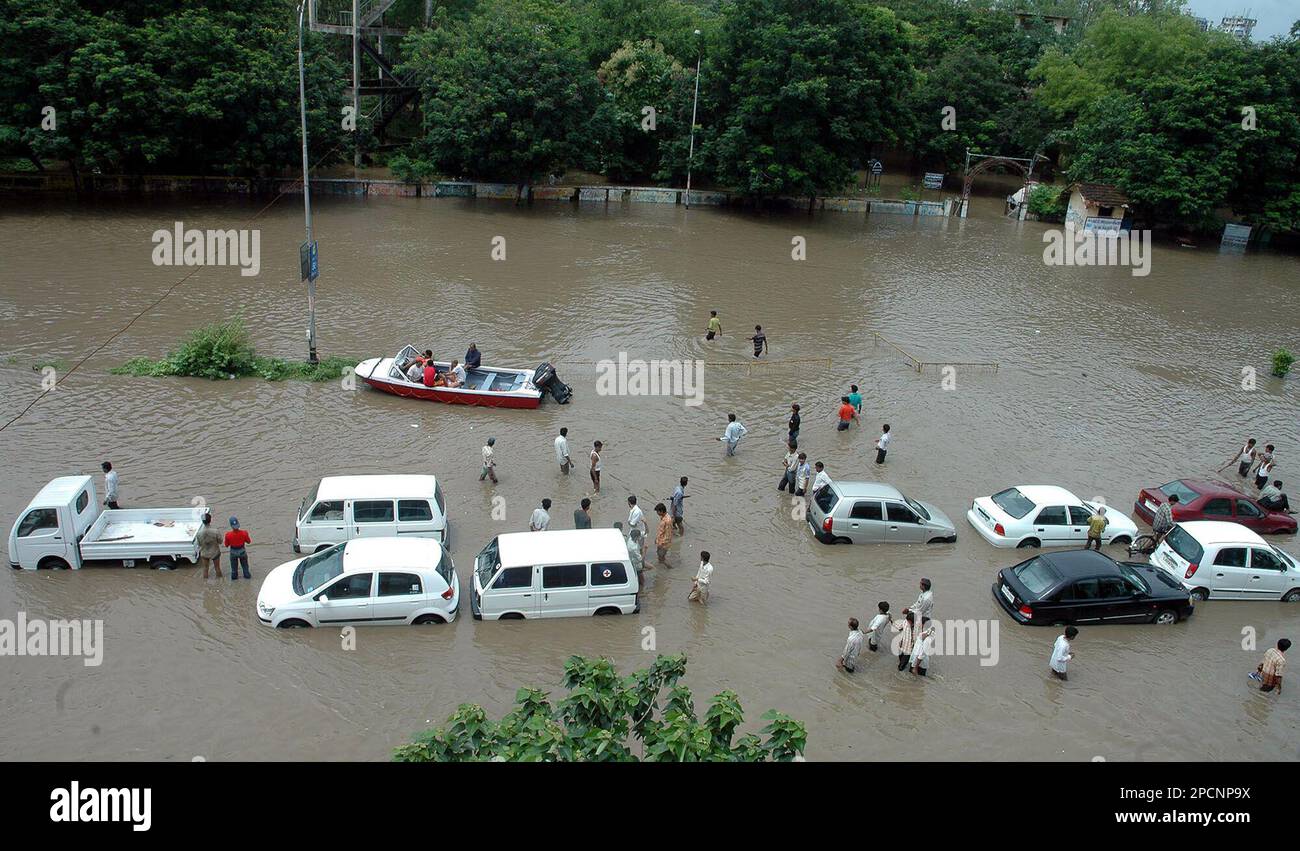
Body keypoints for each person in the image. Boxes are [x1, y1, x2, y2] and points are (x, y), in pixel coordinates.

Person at [197, 513, 223, 580]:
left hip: (204, 552)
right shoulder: (215, 531)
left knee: (205, 569)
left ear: (202, 521)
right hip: (215, 552)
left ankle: (205, 583)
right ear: (210, 520)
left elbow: (199, 544)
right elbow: (220, 542)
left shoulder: (199, 533)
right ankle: (220, 582)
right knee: (217, 568)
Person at [225, 516, 251, 581]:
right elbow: (249, 542)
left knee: (234, 568)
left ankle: (234, 580)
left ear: (231, 525)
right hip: (242, 551)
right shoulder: (244, 533)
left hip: (233, 552)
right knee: (245, 566)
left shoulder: (228, 535)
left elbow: (226, 545)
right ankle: (247, 577)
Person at [654, 503, 674, 568]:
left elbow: (668, 535)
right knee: (659, 555)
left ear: (662, 511)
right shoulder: (663, 517)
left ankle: (670, 568)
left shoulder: (668, 520)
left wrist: (661, 543)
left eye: (658, 511)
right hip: (660, 540)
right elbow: (661, 531)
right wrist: (657, 538)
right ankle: (660, 567)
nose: (657, 513)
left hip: (664, 543)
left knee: (661, 557)